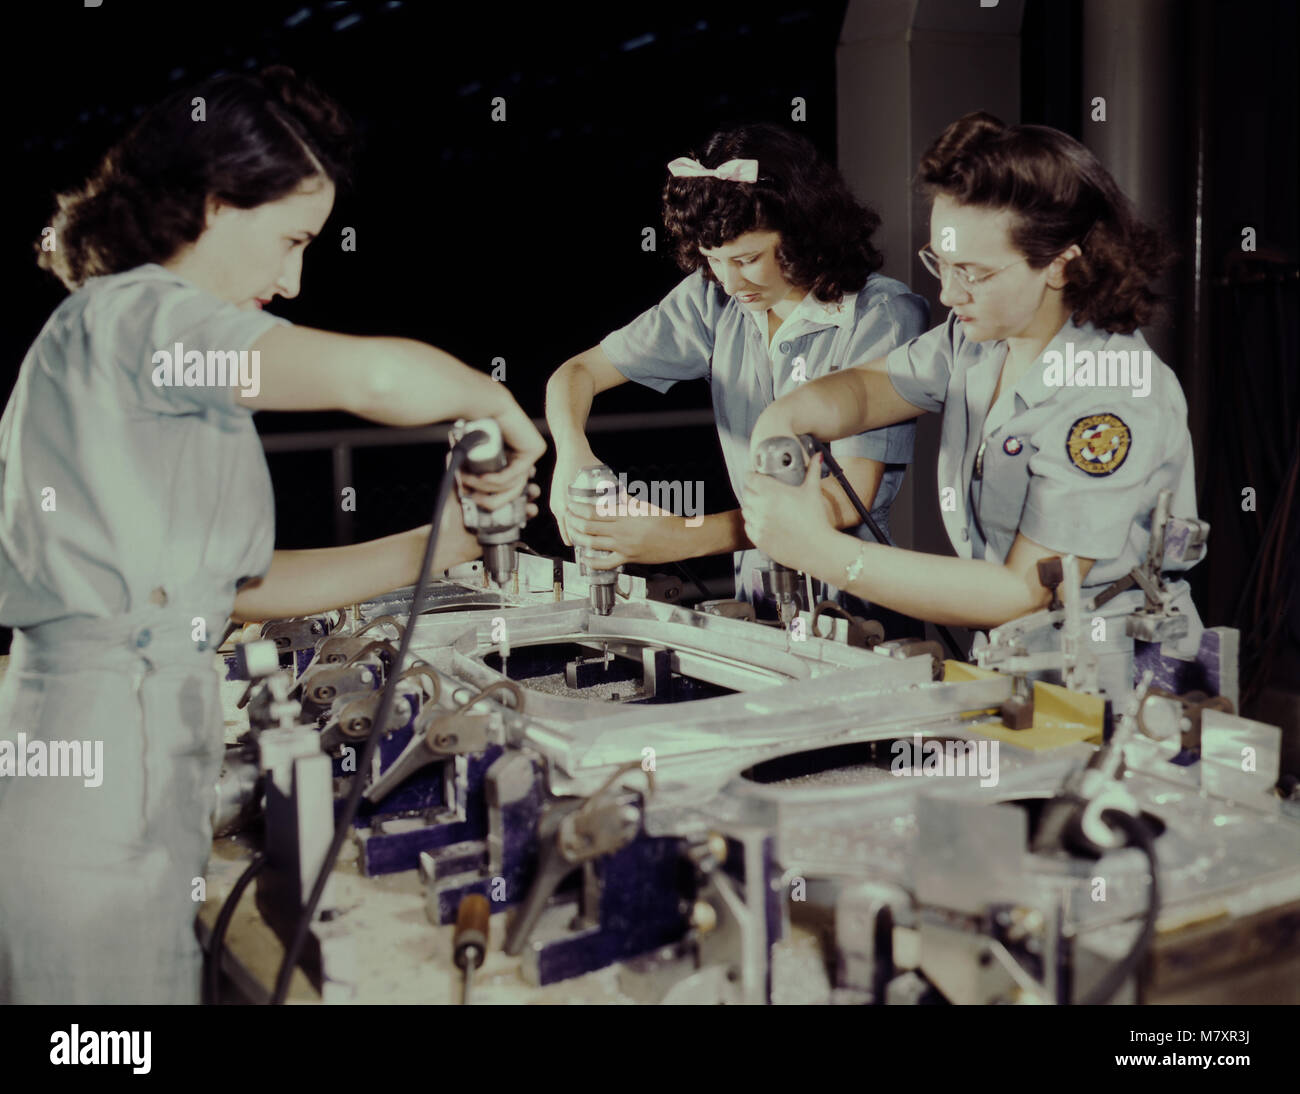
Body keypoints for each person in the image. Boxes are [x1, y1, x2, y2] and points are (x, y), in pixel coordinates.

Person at [0, 67, 545, 1004]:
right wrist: (491, 397)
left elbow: (241, 590)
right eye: (292, 240)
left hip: (142, 750)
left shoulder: (163, 369)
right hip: (88, 767)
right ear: (215, 204)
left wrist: (441, 544)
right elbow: (372, 382)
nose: (294, 279)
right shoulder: (135, 320)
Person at [742, 111, 1204, 698]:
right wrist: (782, 418)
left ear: (1062, 263)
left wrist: (825, 553)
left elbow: (1022, 590)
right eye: (941, 262)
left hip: (1116, 680)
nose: (947, 293)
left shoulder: (1112, 397)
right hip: (1018, 658)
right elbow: (862, 390)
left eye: (975, 273)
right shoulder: (979, 340)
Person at [547, 124, 927, 624]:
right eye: (712, 260)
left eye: (748, 259)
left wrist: (683, 536)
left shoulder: (882, 315)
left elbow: (841, 501)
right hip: (756, 597)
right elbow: (576, 373)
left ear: (802, 233)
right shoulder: (713, 298)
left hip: (856, 595)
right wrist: (572, 451)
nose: (730, 280)